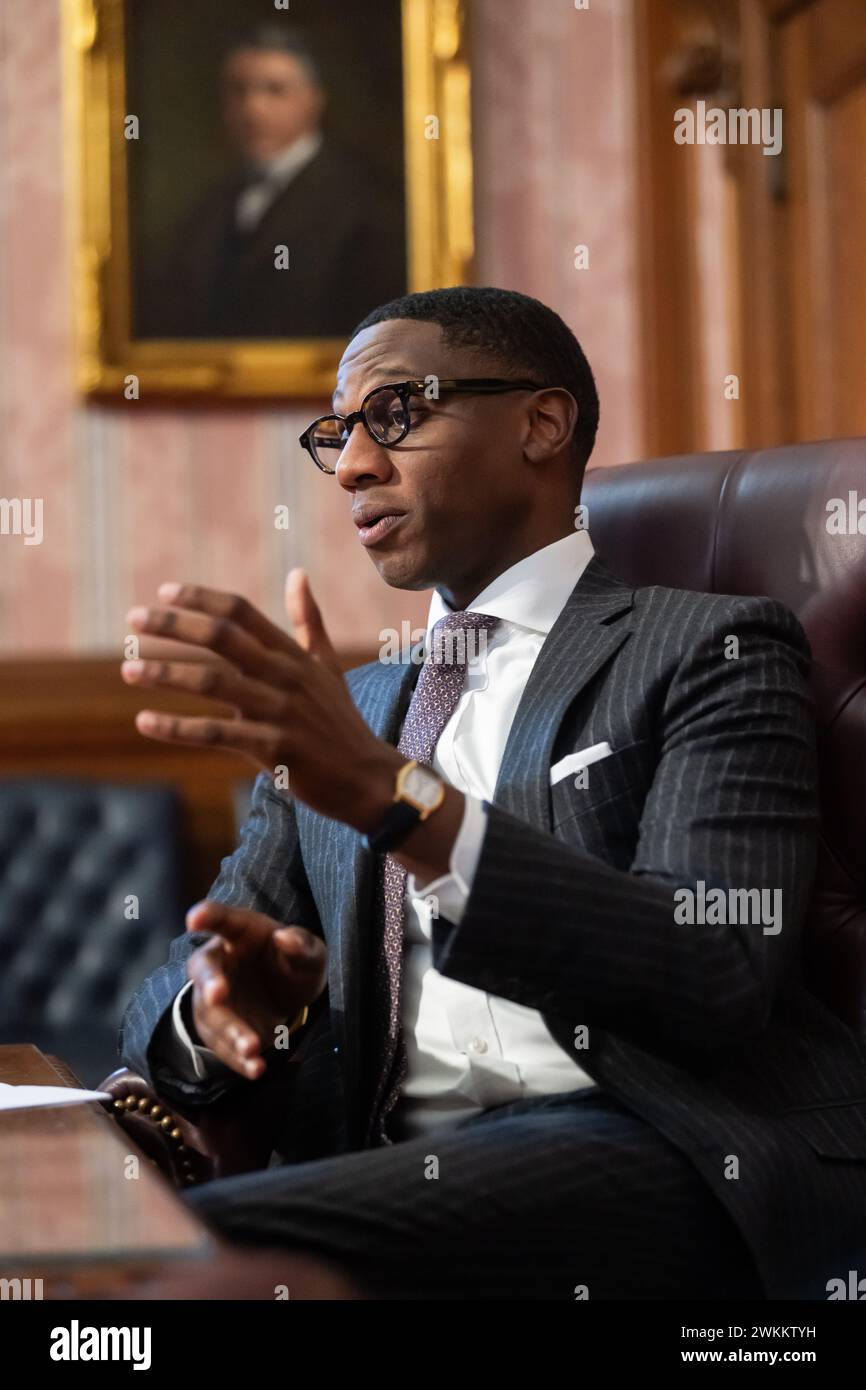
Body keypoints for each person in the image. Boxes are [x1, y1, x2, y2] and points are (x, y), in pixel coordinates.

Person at [119, 286, 866, 1300]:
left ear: (539, 424)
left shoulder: (706, 648)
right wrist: (218, 1019)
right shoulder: (347, 707)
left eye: (395, 415)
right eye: (337, 434)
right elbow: (178, 978)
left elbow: (717, 966)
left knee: (153, 1258)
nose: (350, 466)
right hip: (390, 1156)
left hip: (662, 1141)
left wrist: (396, 801)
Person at [140, 24, 404, 338]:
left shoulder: (364, 203)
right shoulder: (210, 207)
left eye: (274, 90)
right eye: (239, 91)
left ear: (314, 101)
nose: (253, 108)